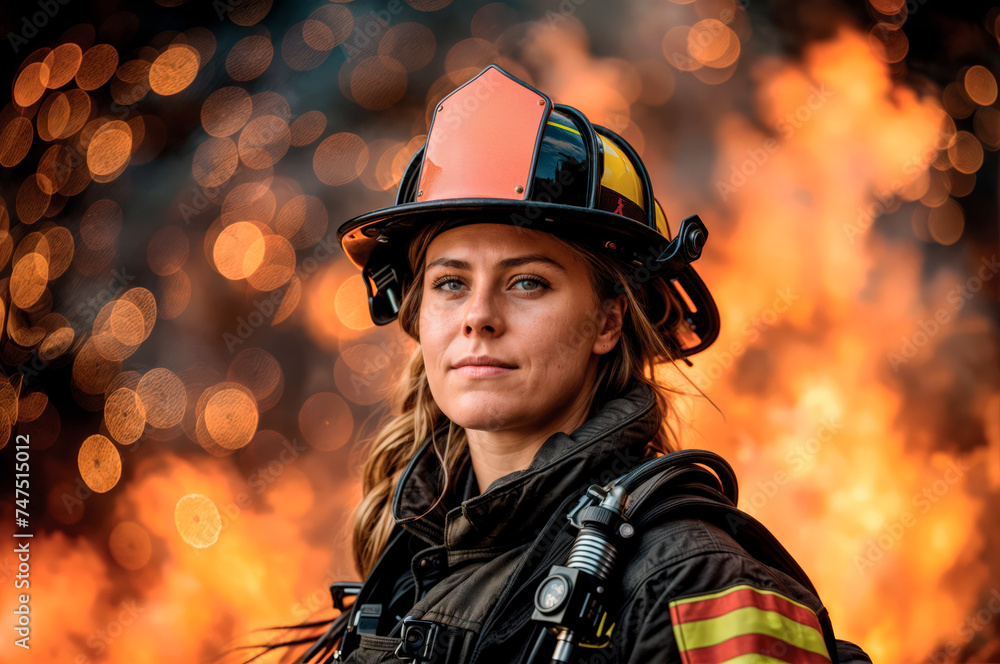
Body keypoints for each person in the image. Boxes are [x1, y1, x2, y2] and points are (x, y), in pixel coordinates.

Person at [240, 65, 871, 664]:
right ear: (418, 313)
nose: (478, 317)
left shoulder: (692, 579)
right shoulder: (415, 567)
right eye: (451, 283)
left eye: (528, 282)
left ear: (607, 321)